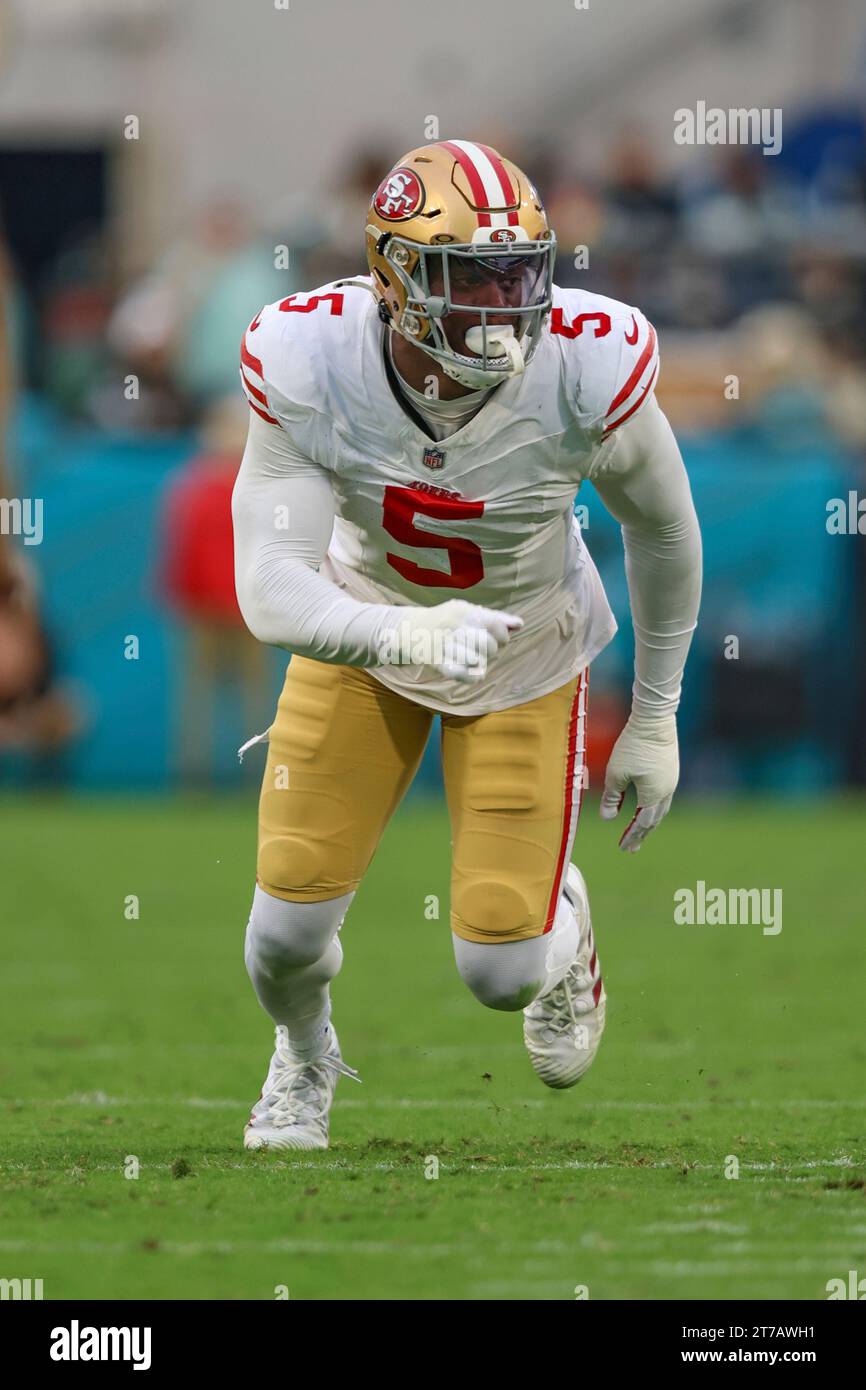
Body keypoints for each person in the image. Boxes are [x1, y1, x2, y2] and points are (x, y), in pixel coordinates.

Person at [232, 140, 702, 1150]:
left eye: (520, 270)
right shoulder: (311, 358)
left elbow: (661, 526)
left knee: (499, 971)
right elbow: (270, 589)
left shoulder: (586, 360)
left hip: (524, 651)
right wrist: (398, 629)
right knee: (279, 941)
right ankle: (304, 1056)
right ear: (395, 276)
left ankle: (559, 927)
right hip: (363, 630)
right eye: (470, 274)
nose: (503, 299)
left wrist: (654, 716)